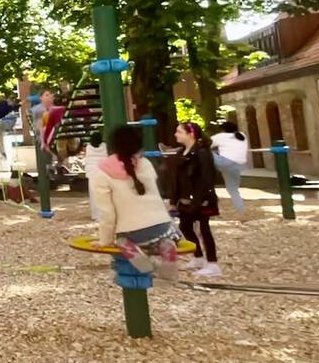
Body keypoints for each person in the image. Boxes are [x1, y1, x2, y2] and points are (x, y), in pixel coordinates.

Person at [89, 125, 180, 281]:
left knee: (121, 241)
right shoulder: (145, 164)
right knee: (166, 237)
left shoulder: (103, 173)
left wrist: (105, 240)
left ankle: (144, 264)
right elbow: (156, 196)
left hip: (134, 234)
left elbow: (107, 213)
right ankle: (167, 243)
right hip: (163, 227)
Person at [172, 122, 221, 276]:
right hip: (186, 198)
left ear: (190, 134)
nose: (176, 134)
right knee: (185, 227)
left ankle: (213, 263)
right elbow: (177, 179)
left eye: (179, 132)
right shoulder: (181, 152)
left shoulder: (202, 153)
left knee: (204, 229)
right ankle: (198, 256)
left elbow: (206, 178)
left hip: (201, 198)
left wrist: (199, 200)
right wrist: (174, 200)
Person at [209, 120, 249, 214]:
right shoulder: (242, 135)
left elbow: (205, 143)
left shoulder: (220, 136)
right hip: (238, 166)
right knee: (233, 189)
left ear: (223, 130)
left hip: (225, 163)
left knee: (203, 151)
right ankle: (241, 210)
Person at [82, 131, 107, 220]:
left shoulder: (88, 147)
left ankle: (96, 215)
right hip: (103, 171)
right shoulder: (105, 147)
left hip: (92, 172)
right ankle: (105, 213)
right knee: (104, 193)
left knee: (93, 194)